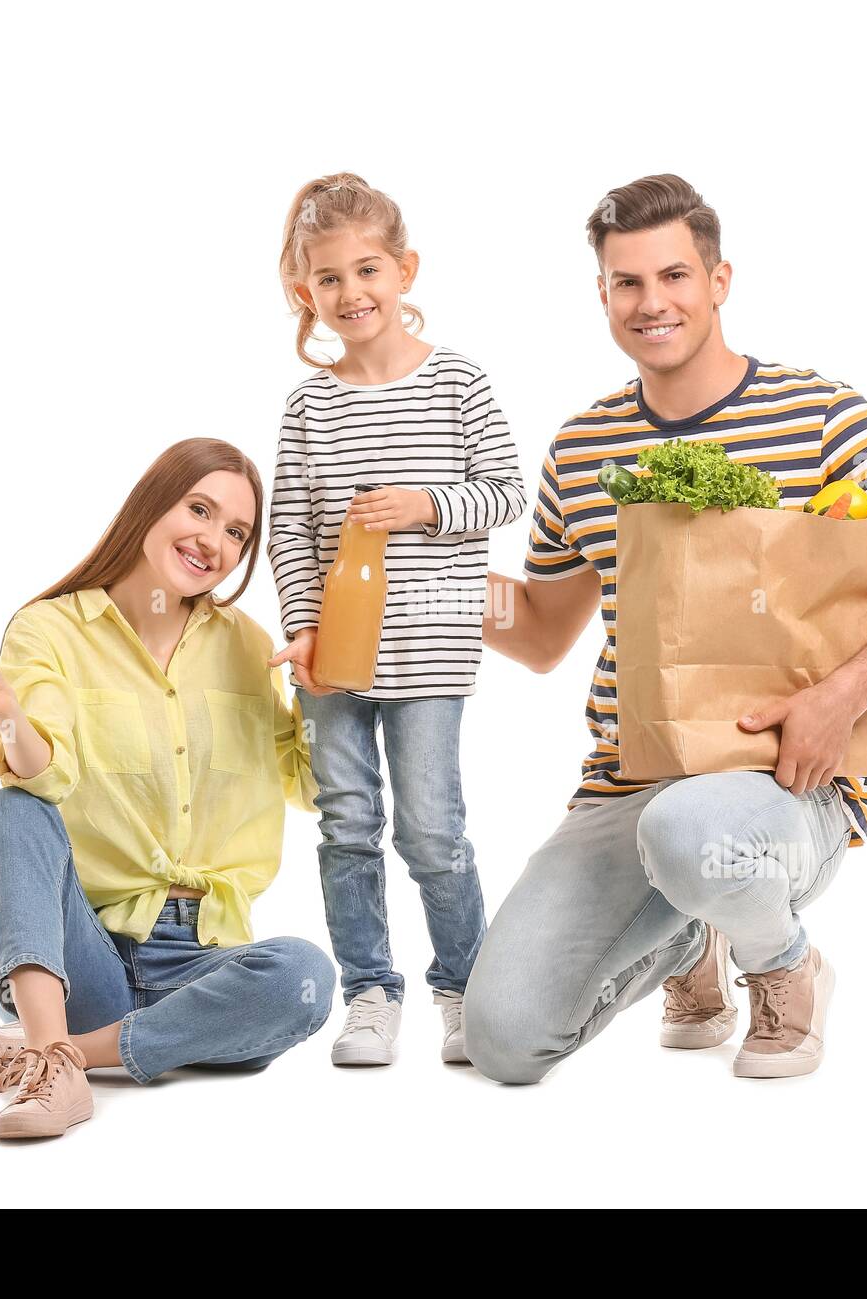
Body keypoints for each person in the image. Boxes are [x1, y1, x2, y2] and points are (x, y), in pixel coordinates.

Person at [465, 173, 867, 1083]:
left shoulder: (824, 414)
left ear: (719, 279)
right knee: (503, 1037)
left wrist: (839, 697)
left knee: (698, 834)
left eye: (674, 276)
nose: (651, 302)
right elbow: (542, 630)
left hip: (788, 779)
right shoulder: (582, 448)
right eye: (628, 283)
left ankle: (782, 963)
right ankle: (688, 938)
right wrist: (438, 582)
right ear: (603, 296)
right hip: (629, 784)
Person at [0, 438, 334, 1138]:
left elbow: (315, 788)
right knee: (14, 807)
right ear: (151, 502)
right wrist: (10, 714)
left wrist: (328, 689)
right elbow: (50, 770)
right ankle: (57, 1052)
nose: (213, 541)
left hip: (205, 963)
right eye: (199, 508)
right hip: (85, 955)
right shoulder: (50, 628)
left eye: (236, 532)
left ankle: (42, 1057)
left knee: (303, 976)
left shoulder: (253, 647)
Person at [268, 173, 526, 1066]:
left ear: (405, 268)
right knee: (346, 824)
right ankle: (371, 991)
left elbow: (506, 493)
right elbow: (291, 530)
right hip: (335, 660)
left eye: (368, 269)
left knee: (429, 828)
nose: (352, 293)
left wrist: (425, 503)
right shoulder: (311, 405)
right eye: (329, 279)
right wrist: (301, 628)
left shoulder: (458, 381)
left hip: (431, 654)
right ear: (308, 291)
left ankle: (466, 984)